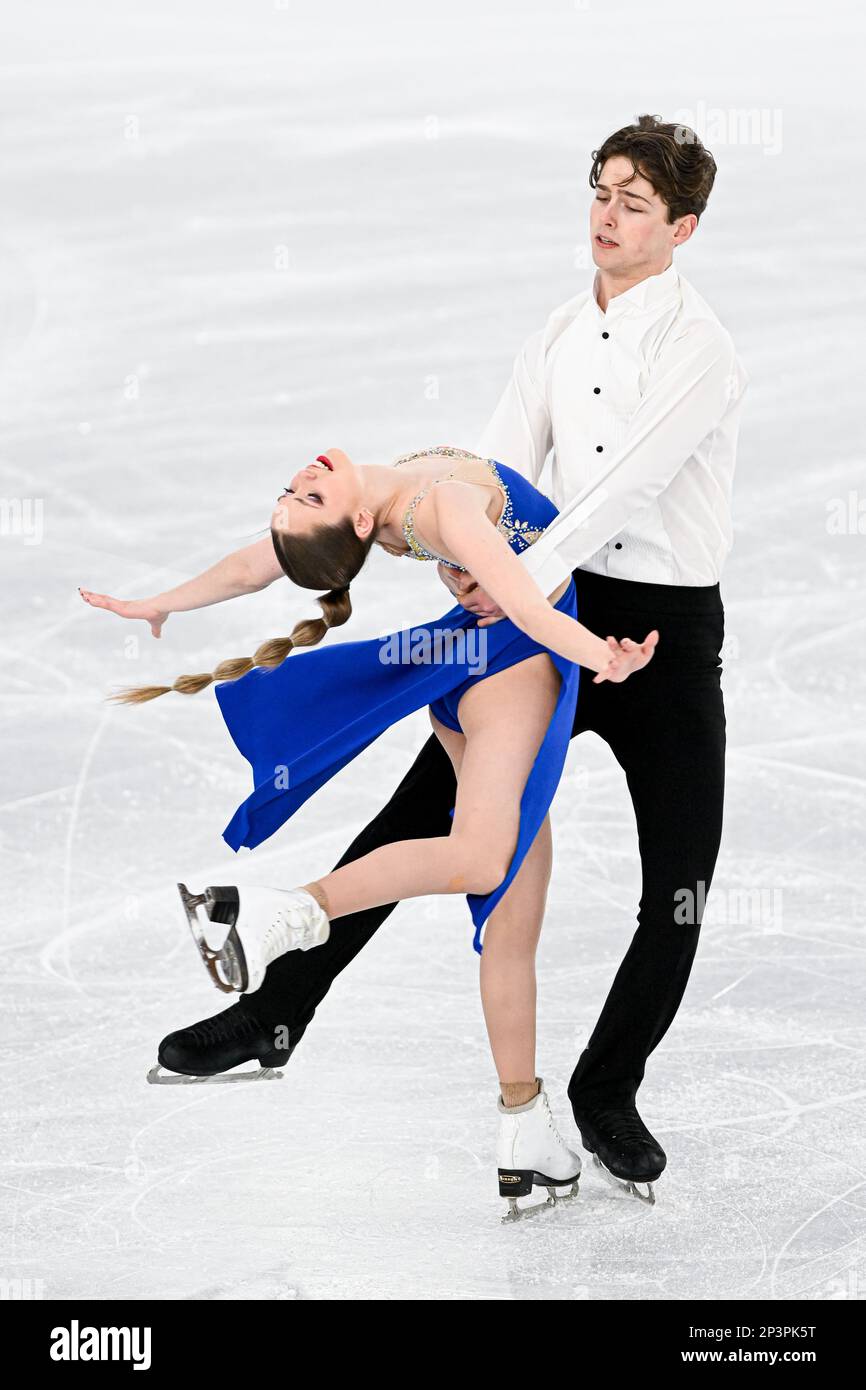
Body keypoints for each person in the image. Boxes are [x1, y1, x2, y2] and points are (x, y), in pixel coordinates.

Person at [87, 110, 749, 1208]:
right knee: (415, 826)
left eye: (634, 204)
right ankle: (279, 1008)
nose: (607, 217)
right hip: (533, 609)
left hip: (657, 630)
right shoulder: (554, 333)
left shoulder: (699, 351)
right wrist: (479, 568)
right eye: (599, 192)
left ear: (681, 228)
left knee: (676, 883)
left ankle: (602, 1088)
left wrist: (505, 567)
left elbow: (624, 484)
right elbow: (495, 468)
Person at [82, 444, 657, 1218]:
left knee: (513, 921)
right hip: (513, 670)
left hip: (468, 671)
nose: (302, 476)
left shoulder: (386, 518)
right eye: (307, 496)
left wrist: (163, 603)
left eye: (294, 489)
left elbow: (259, 565)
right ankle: (280, 912)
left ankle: (525, 1129)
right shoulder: (437, 507)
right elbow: (525, 602)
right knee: (485, 859)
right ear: (354, 518)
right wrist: (604, 659)